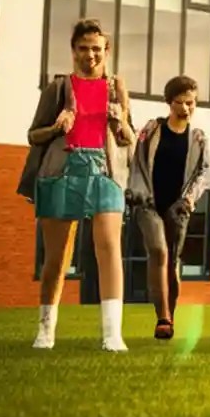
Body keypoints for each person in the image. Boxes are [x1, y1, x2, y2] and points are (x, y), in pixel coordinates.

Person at [18, 19, 135, 351]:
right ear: (73, 51)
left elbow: (130, 139)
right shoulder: (58, 88)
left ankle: (113, 335)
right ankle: (46, 330)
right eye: (83, 48)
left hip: (105, 170)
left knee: (109, 248)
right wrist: (58, 127)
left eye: (96, 49)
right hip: (62, 170)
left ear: (106, 51)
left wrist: (121, 123)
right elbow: (33, 135)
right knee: (56, 256)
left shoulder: (117, 88)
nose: (90, 55)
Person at [127, 76, 210, 340]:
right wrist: (139, 193)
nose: (186, 108)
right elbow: (137, 161)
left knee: (172, 261)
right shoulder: (151, 130)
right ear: (168, 102)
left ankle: (169, 317)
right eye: (180, 102)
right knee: (158, 251)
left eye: (191, 103)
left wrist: (188, 200)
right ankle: (162, 317)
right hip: (148, 202)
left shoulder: (198, 138)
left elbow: (204, 173)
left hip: (178, 207)